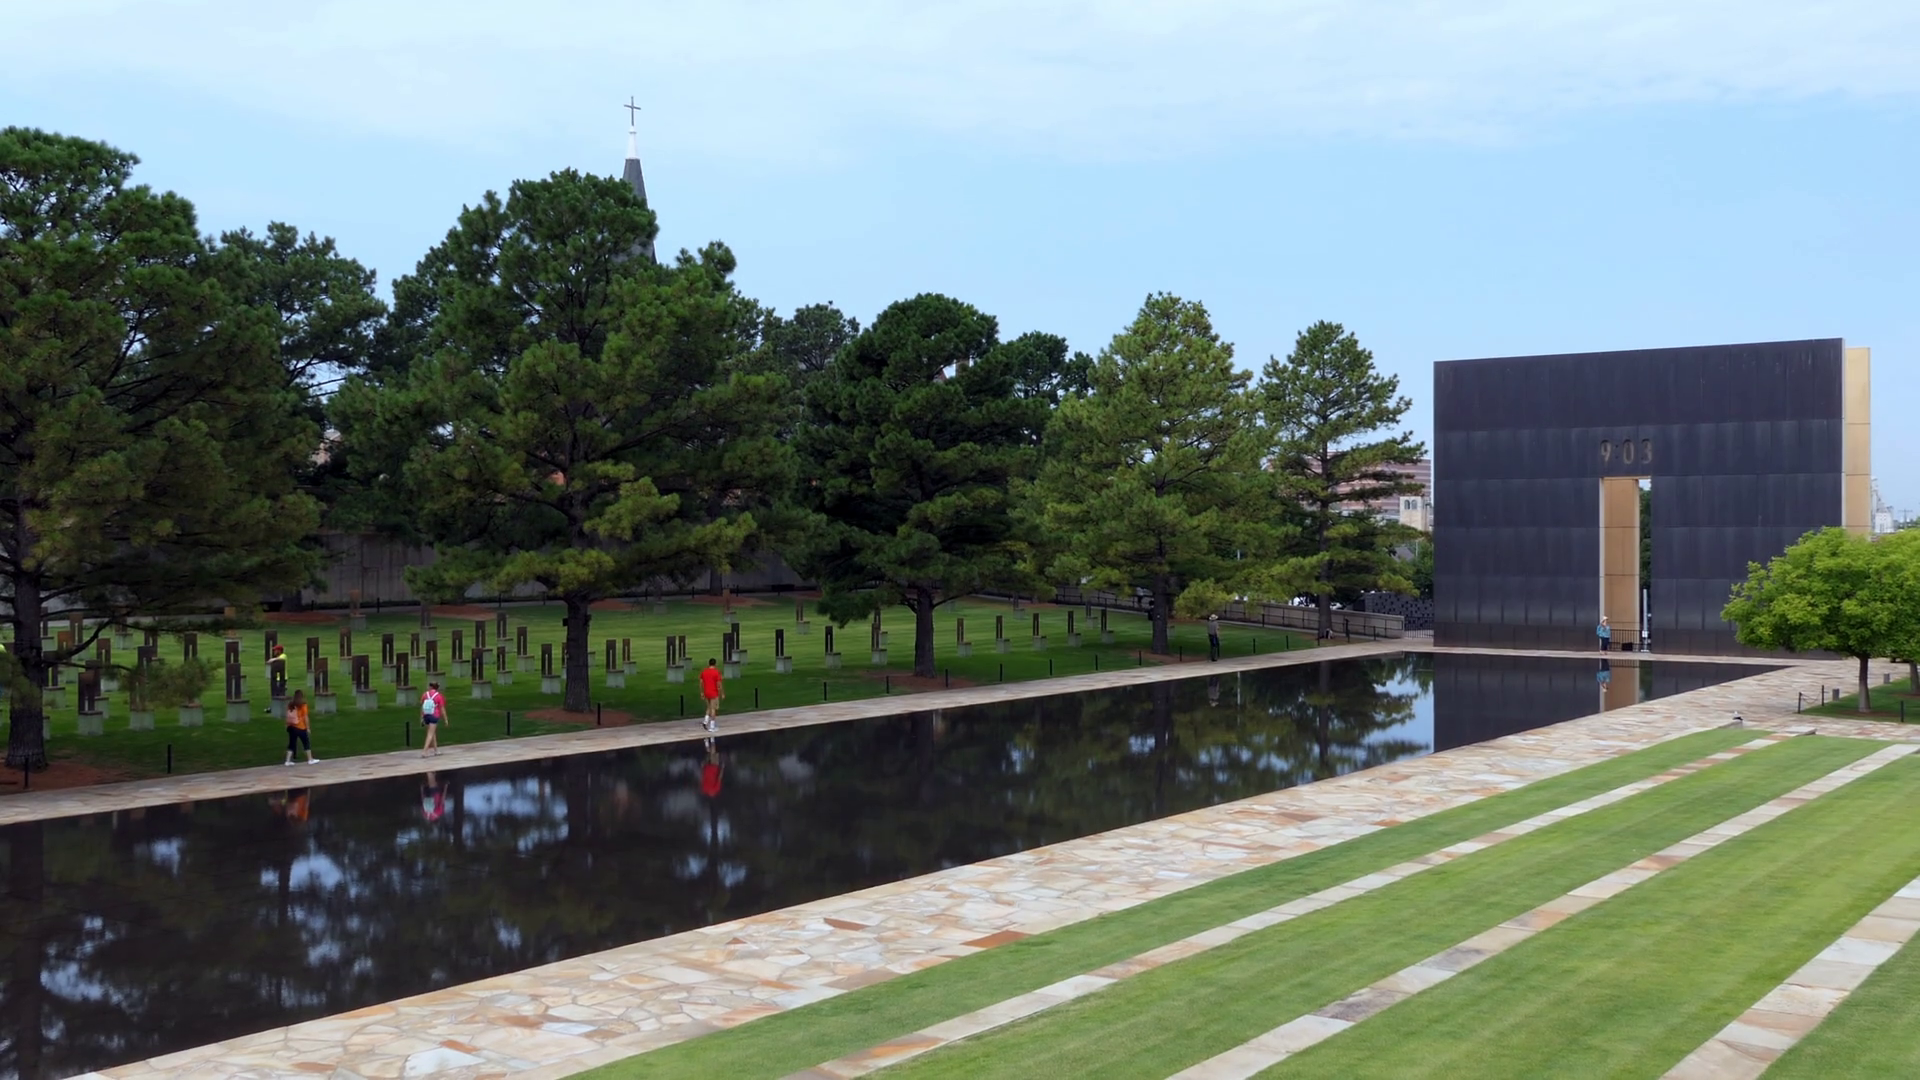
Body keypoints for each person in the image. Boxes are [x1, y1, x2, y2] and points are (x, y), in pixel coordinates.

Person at [283, 688, 319, 765]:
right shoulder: (303, 705)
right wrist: (308, 727)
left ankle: (287, 760)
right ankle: (310, 759)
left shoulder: (291, 704)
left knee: (292, 743)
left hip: (292, 727)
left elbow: (288, 715)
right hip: (300, 727)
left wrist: (287, 724)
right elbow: (305, 717)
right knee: (306, 743)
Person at [420, 680, 448, 756]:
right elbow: (442, 709)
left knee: (432, 733)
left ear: (430, 687)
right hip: (434, 716)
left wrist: (422, 717)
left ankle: (436, 750)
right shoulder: (439, 696)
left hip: (426, 715)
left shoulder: (425, 694)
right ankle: (424, 751)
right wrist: (445, 719)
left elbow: (422, 706)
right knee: (430, 734)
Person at [700, 658, 723, 732]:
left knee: (708, 707)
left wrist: (702, 692)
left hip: (706, 692)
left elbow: (701, 682)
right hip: (713, 692)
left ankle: (705, 721)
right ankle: (712, 726)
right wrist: (721, 693)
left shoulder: (704, 672)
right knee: (713, 709)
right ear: (715, 664)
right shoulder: (716, 672)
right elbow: (719, 684)